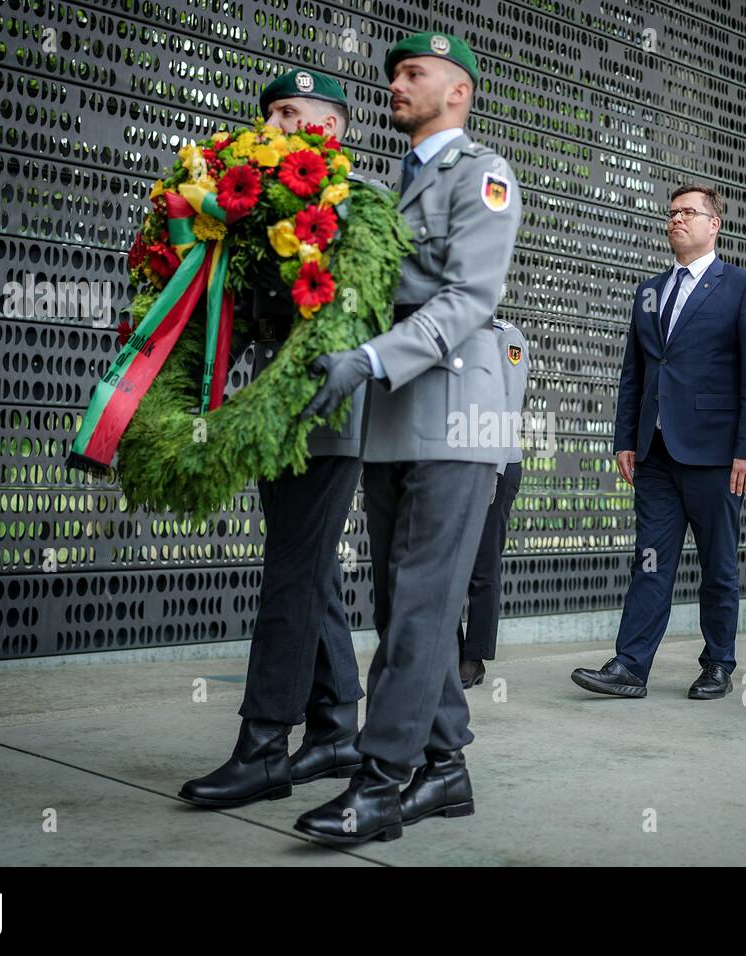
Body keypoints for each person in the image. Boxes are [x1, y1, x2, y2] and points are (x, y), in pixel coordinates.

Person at [292, 32, 522, 845]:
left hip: (458, 417)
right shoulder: (385, 186)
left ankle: (381, 781)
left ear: (456, 92)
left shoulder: (483, 177)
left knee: (423, 604)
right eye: (392, 73)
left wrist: (367, 356)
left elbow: (468, 298)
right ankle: (447, 765)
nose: (395, 83)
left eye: (413, 72)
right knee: (400, 605)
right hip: (391, 421)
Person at [178, 69, 365, 807]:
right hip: (274, 413)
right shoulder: (257, 206)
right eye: (271, 115)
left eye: (293, 112)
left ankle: (263, 748)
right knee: (307, 569)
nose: (278, 123)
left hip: (324, 418)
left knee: (290, 572)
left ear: (332, 129)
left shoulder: (354, 203)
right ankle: (333, 728)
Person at [571, 183, 746, 700]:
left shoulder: (745, 287)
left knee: (718, 563)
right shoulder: (649, 290)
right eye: (672, 213)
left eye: (689, 212)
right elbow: (634, 373)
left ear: (715, 224)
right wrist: (625, 438)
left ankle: (718, 663)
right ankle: (630, 667)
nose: (676, 220)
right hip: (655, 453)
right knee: (650, 558)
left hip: (716, 453)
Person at [458, 319, 529, 689]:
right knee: (447, 565)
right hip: (452, 465)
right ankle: (449, 652)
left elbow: (508, 406)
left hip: (493, 465)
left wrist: (492, 472)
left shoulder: (505, 337)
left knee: (482, 566)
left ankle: (474, 658)